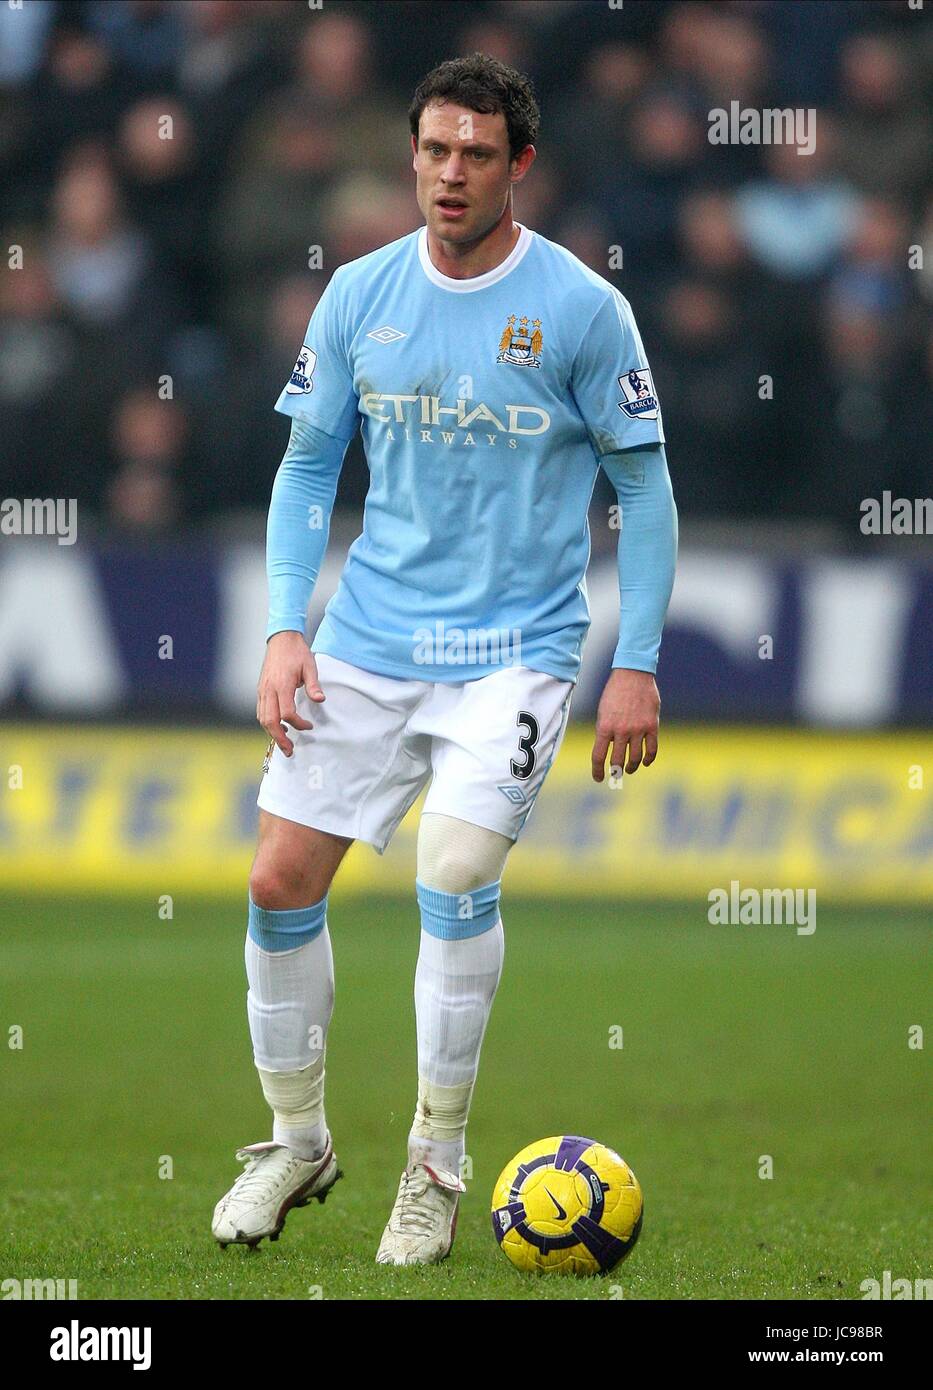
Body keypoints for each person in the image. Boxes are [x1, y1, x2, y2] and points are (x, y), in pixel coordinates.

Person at [212, 52, 677, 1267]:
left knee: (455, 867)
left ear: (519, 165)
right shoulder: (360, 293)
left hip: (517, 648)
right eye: (434, 151)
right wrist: (282, 626)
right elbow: (309, 468)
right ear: (409, 156)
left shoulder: (582, 307)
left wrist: (638, 659)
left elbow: (645, 484)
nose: (451, 174)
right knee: (275, 883)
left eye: (478, 154)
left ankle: (436, 1164)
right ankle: (297, 1142)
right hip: (369, 636)